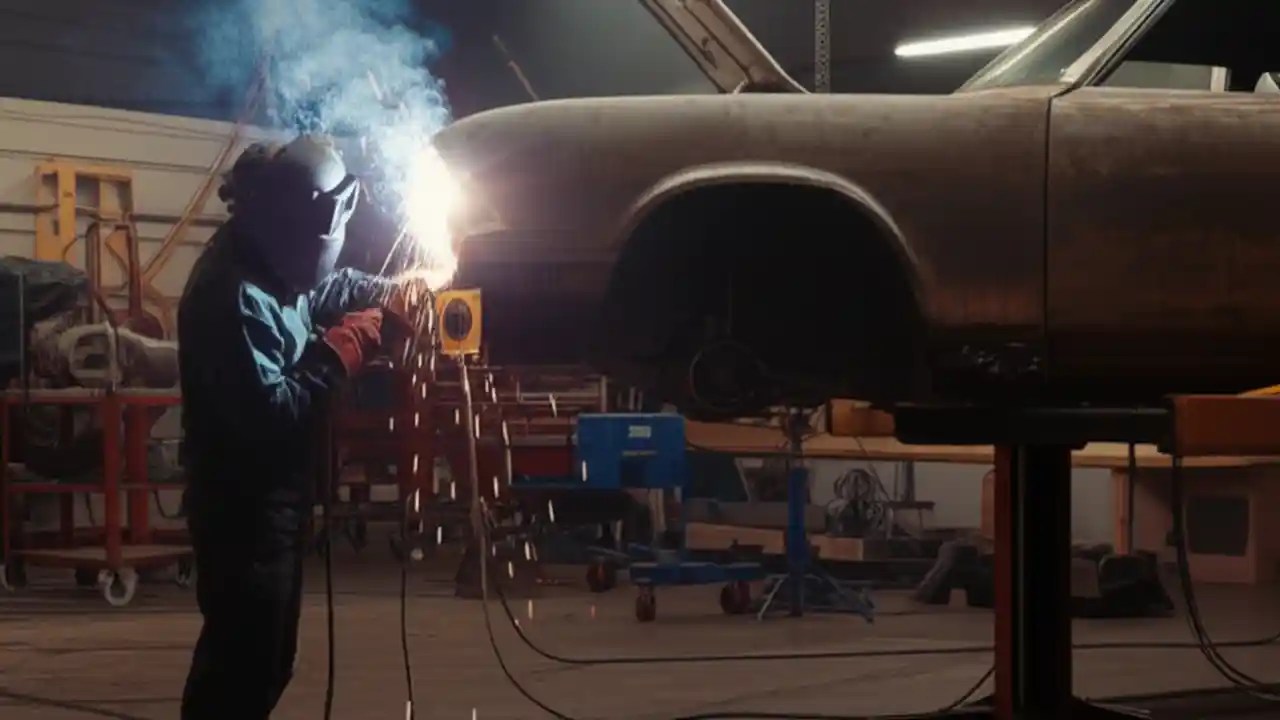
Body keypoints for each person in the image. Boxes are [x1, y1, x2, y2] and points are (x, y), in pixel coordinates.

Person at [177, 135, 419, 719]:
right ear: (297, 223)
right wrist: (345, 349)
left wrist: (388, 291)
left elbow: (324, 289)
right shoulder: (232, 294)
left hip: (275, 502)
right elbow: (273, 414)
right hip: (242, 510)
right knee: (240, 669)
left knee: (268, 662)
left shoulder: (274, 264)